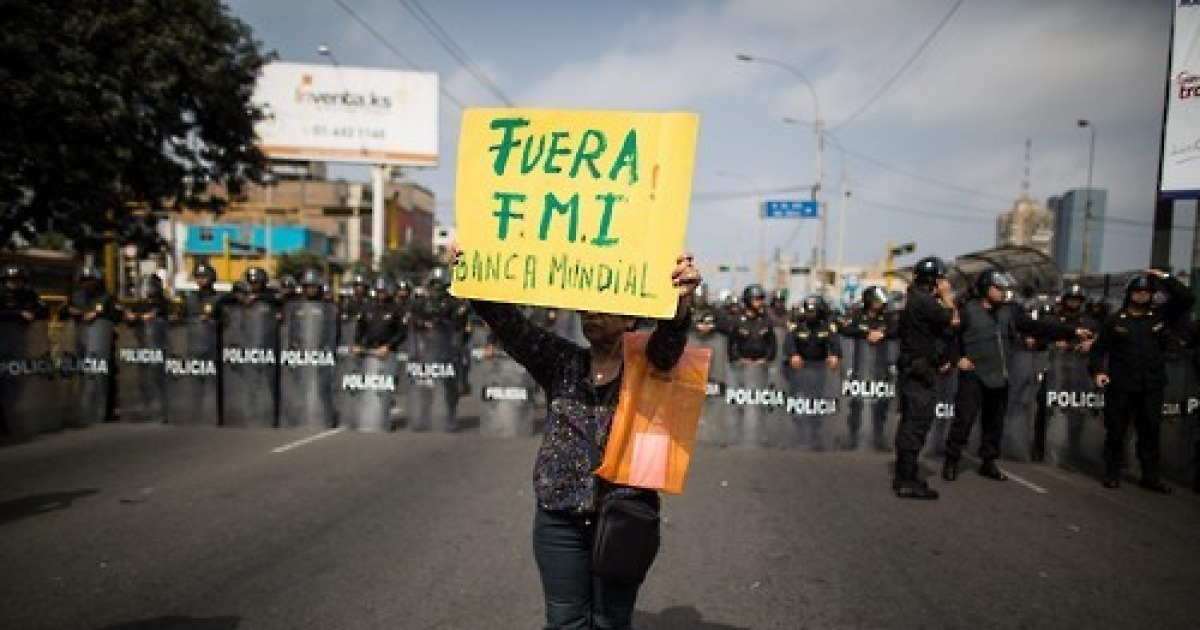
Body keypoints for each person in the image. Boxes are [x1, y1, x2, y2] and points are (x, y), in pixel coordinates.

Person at [465, 251, 701, 630]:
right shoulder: (560, 361)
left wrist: (682, 297)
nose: (592, 313)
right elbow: (508, 324)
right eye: (587, 307)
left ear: (631, 317)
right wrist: (472, 269)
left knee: (610, 622)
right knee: (565, 621)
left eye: (605, 306)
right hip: (559, 514)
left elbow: (671, 338)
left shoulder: (650, 367)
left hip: (626, 517)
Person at [941, 269, 1088, 482]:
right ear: (985, 289)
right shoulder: (968, 310)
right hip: (974, 375)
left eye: (1003, 288)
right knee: (964, 420)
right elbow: (949, 336)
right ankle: (951, 460)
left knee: (994, 423)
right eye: (997, 288)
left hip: (1001, 375)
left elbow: (1036, 326)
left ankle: (988, 462)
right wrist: (957, 359)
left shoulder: (1010, 311)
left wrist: (1071, 331)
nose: (1001, 292)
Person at [1088, 269, 1195, 492]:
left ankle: (1150, 475)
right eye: (1137, 292)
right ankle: (1112, 472)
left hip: (1151, 385)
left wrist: (1163, 277)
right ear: (1129, 294)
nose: (1142, 296)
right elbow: (1098, 351)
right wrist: (1098, 371)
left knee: (1150, 431)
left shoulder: (1159, 316)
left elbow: (1187, 298)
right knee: (1116, 430)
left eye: (1146, 292)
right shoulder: (1115, 321)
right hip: (1122, 386)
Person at [893, 256, 958, 500]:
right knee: (916, 425)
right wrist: (947, 296)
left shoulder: (916, 299)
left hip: (916, 369)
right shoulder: (924, 301)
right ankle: (907, 480)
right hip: (920, 372)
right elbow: (952, 319)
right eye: (941, 279)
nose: (944, 283)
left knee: (911, 424)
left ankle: (905, 475)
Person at [840, 286, 896, 450]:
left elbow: (899, 330)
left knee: (880, 404)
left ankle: (878, 437)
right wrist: (865, 334)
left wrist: (883, 335)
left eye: (881, 301)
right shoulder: (857, 316)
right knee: (857, 403)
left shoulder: (888, 318)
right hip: (860, 366)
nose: (879, 304)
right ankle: (853, 437)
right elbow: (844, 328)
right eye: (876, 301)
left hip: (881, 367)